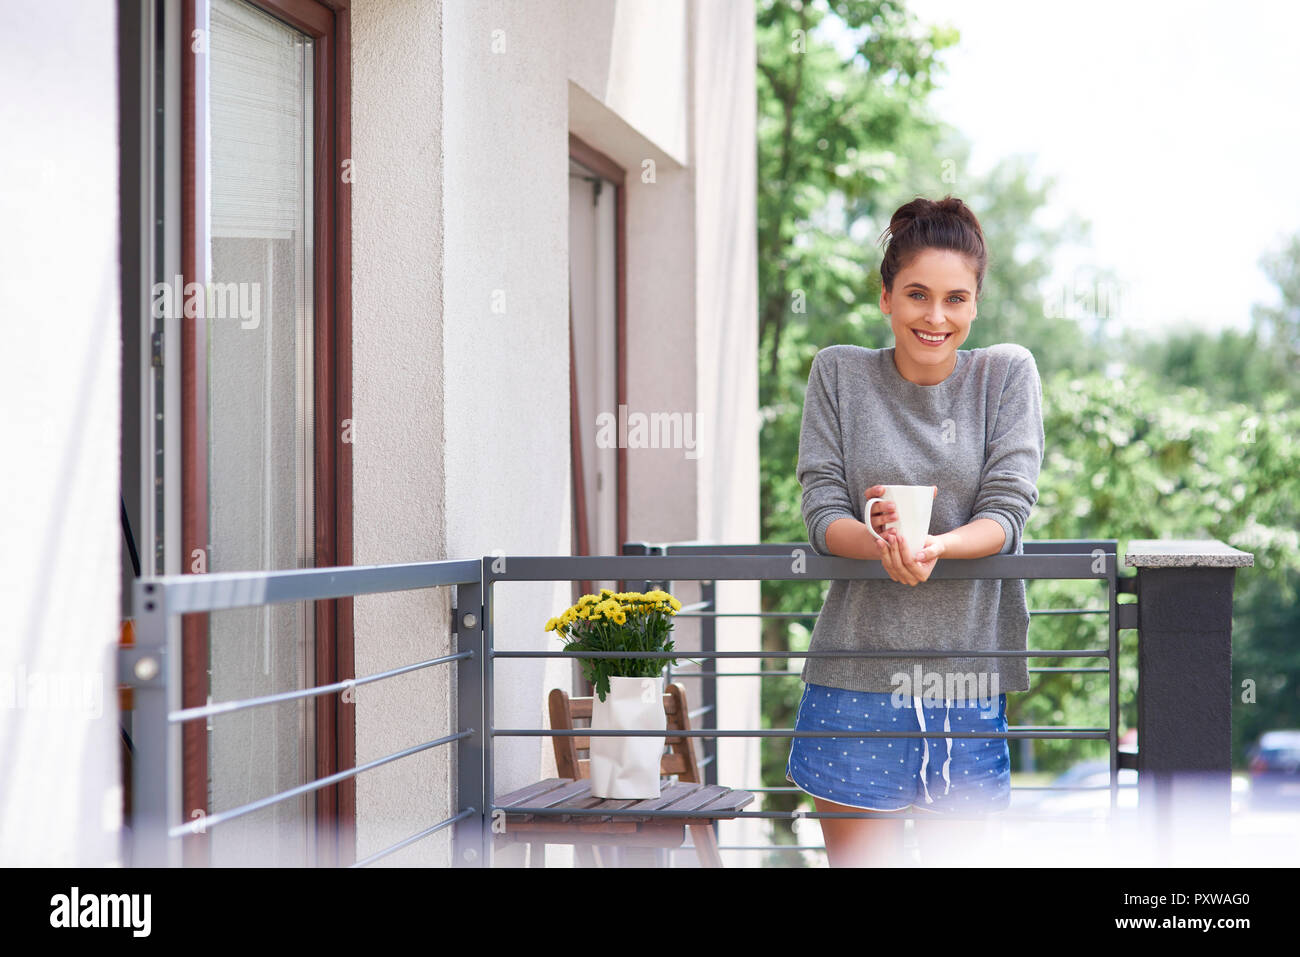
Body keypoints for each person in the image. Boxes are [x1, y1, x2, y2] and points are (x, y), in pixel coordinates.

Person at [785, 195, 1045, 866]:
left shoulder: (1006, 375)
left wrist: (933, 548)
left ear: (976, 303)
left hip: (964, 680)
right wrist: (878, 544)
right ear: (885, 297)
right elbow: (822, 512)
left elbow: (1006, 512)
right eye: (917, 295)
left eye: (956, 298)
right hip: (854, 679)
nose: (936, 316)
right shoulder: (839, 373)